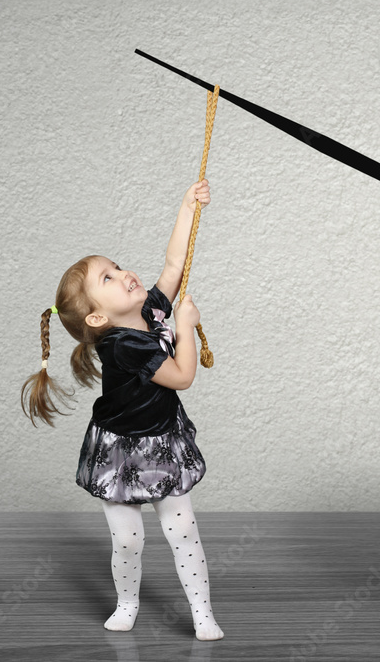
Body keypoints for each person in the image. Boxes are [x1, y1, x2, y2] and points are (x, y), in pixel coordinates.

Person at [21, 180, 223, 641]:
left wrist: (187, 205)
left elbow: (174, 263)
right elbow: (182, 376)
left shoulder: (148, 312)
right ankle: (127, 601)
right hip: (120, 450)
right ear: (97, 318)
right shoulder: (123, 344)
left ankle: (202, 612)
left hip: (160, 440)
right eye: (106, 279)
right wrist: (187, 327)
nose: (122, 273)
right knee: (129, 538)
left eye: (116, 266)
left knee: (183, 529)